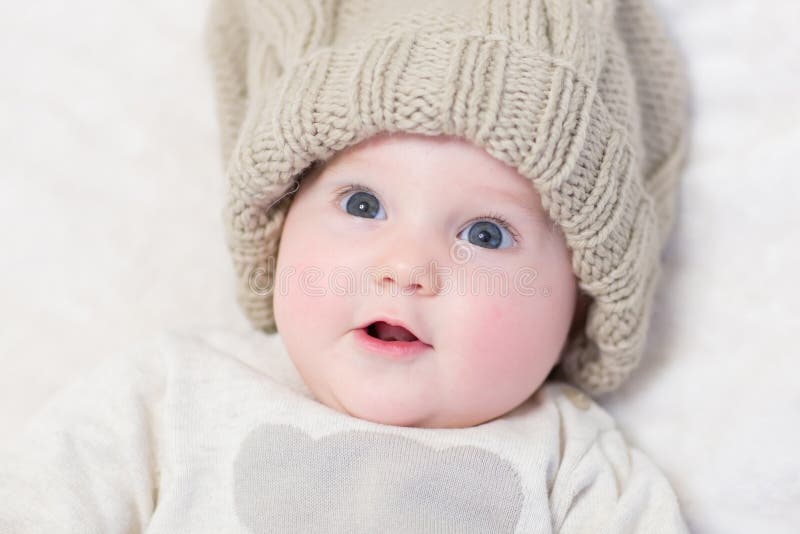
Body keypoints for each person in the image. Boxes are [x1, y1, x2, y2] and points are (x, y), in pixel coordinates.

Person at [0, 0, 692, 531]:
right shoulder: (170, 392)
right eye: (362, 204)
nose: (405, 267)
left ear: (584, 295)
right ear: (278, 225)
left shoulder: (577, 466)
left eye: (485, 233)